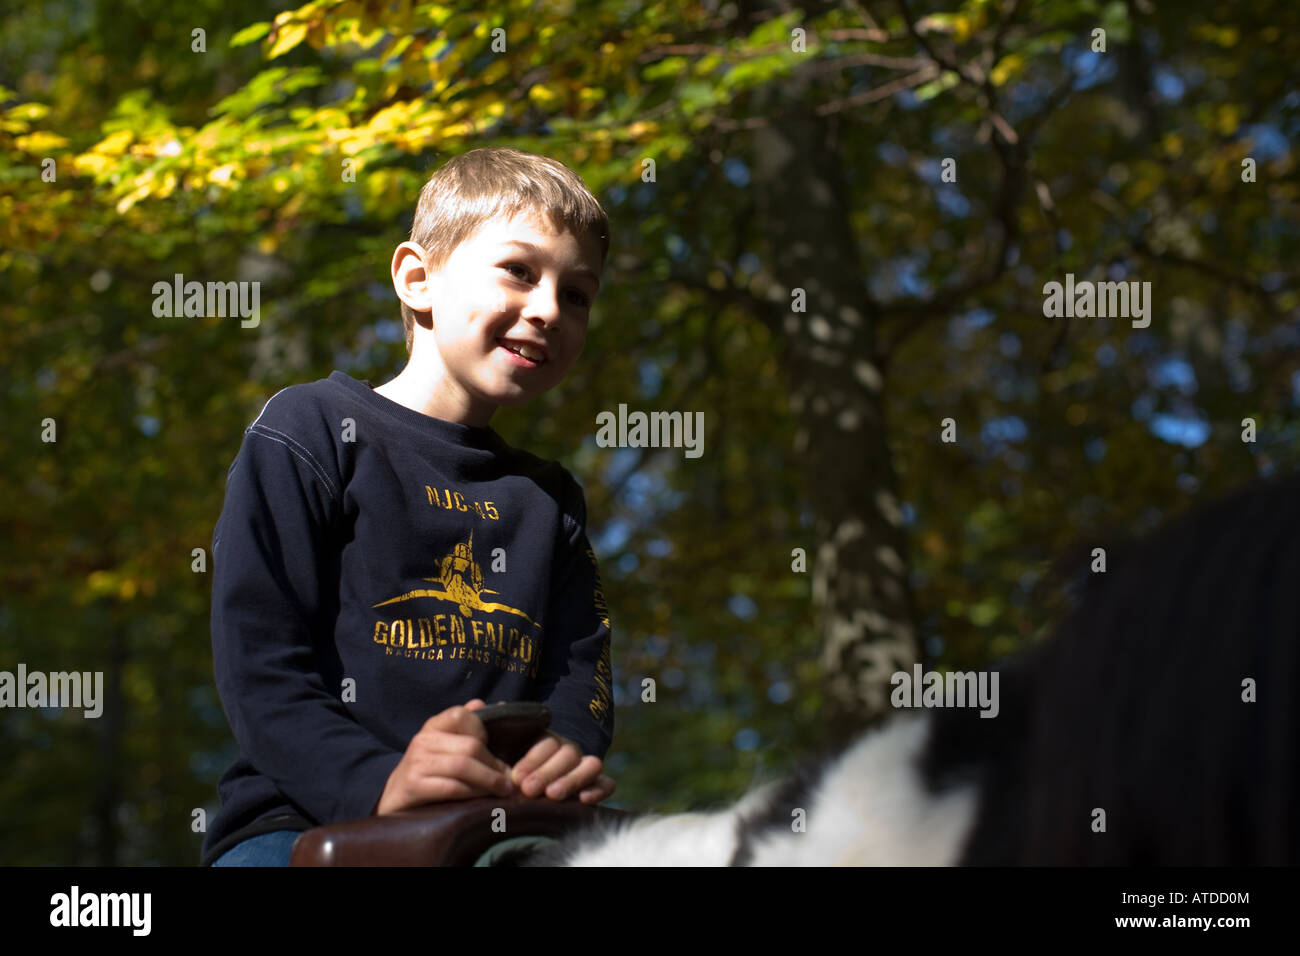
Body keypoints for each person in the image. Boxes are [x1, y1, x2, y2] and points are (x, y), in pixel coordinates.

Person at [202, 147, 617, 866]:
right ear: (417, 279)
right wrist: (378, 782)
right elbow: (259, 667)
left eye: (576, 294)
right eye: (520, 271)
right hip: (298, 827)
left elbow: (582, 675)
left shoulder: (551, 501)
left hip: (496, 830)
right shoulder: (310, 432)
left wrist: (563, 753)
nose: (549, 308)